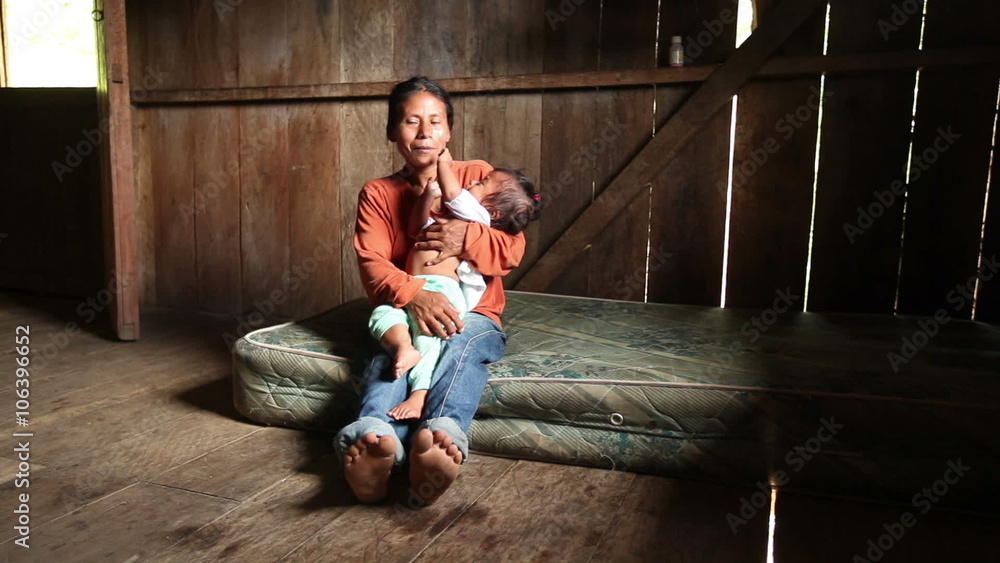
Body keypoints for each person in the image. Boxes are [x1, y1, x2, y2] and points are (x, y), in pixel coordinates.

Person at [334, 76, 527, 506]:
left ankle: (438, 439)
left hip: (472, 311)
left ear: (449, 131)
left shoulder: (478, 177)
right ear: (392, 132)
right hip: (406, 305)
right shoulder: (379, 193)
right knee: (392, 351)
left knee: (459, 344)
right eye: (411, 122)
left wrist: (466, 240)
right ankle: (376, 439)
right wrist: (415, 294)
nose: (424, 133)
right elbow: (373, 264)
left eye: (435, 122)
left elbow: (512, 250)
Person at [370, 147, 540, 421]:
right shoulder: (454, 213)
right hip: (415, 287)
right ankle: (403, 346)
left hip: (443, 290)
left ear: (493, 211)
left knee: (430, 340)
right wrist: (427, 197)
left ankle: (420, 394)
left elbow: (453, 193)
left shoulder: (479, 216)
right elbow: (416, 228)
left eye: (481, 185)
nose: (473, 182)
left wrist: (444, 165)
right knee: (382, 315)